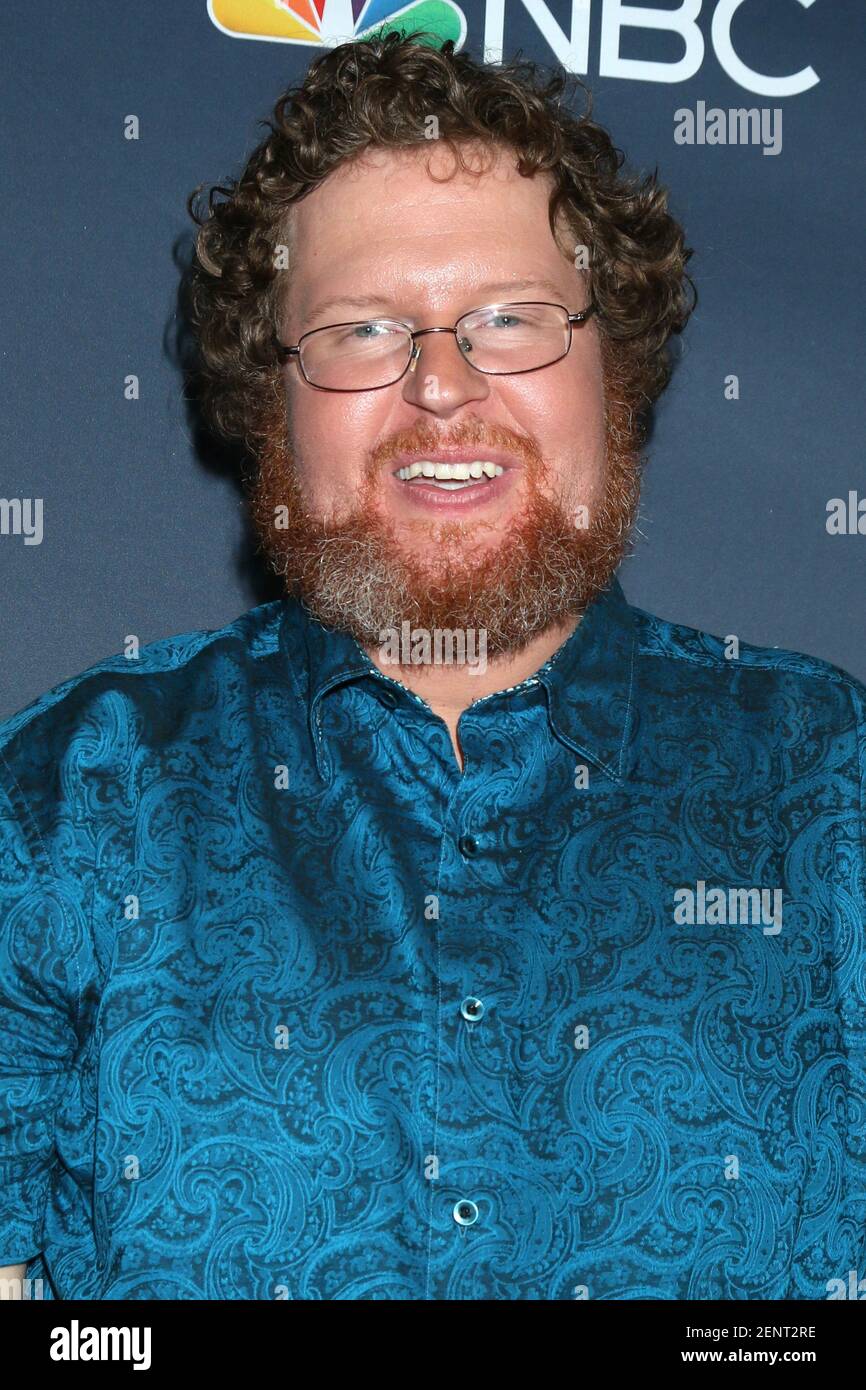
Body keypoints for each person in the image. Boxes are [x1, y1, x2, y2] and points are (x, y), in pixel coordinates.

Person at [0, 32, 863, 1302]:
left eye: (508, 319)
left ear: (612, 373)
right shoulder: (66, 803)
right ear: (268, 404)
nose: (442, 387)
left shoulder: (833, 790)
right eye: (360, 331)